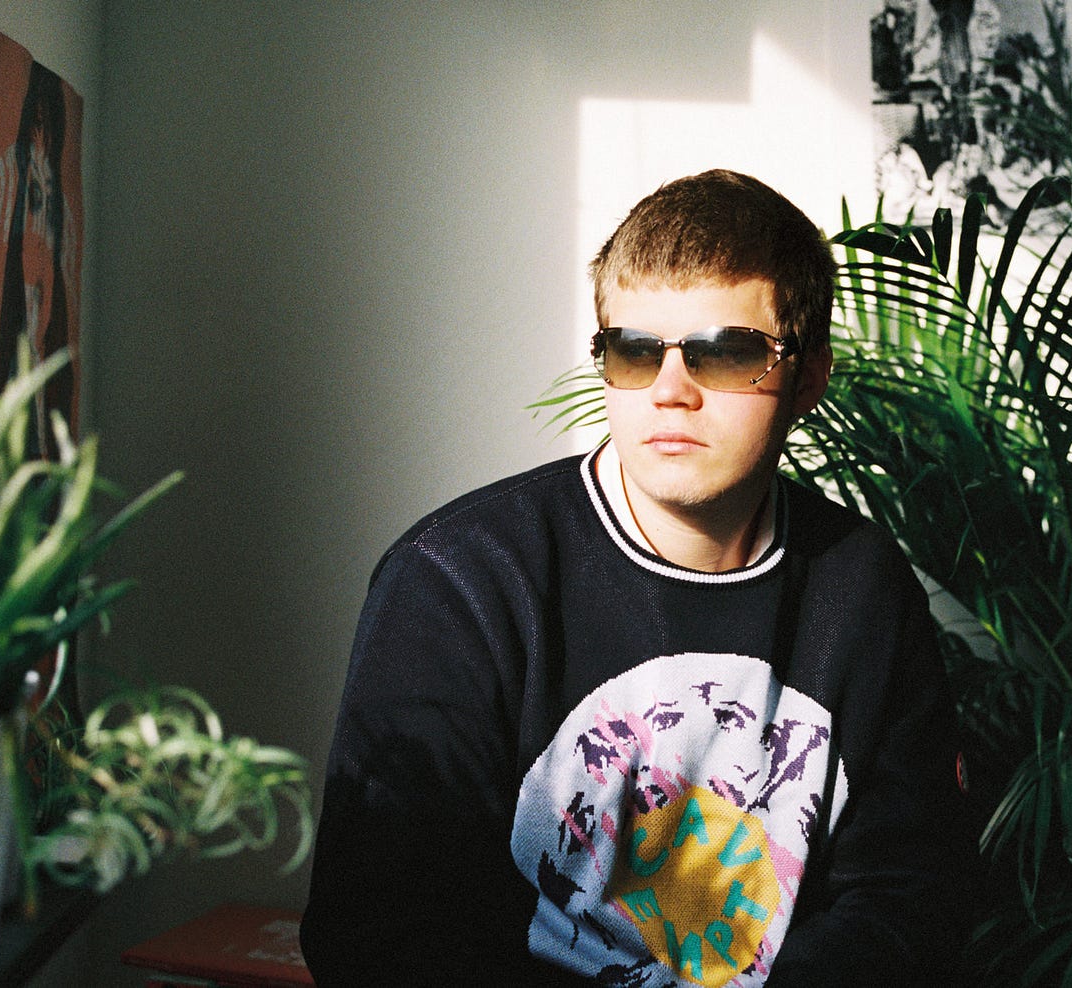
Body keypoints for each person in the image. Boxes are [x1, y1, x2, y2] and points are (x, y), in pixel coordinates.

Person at [301, 169, 976, 985]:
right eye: (634, 351)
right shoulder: (456, 583)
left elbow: (909, 902)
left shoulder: (864, 588)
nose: (670, 391)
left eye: (725, 354)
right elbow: (377, 933)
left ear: (807, 380)